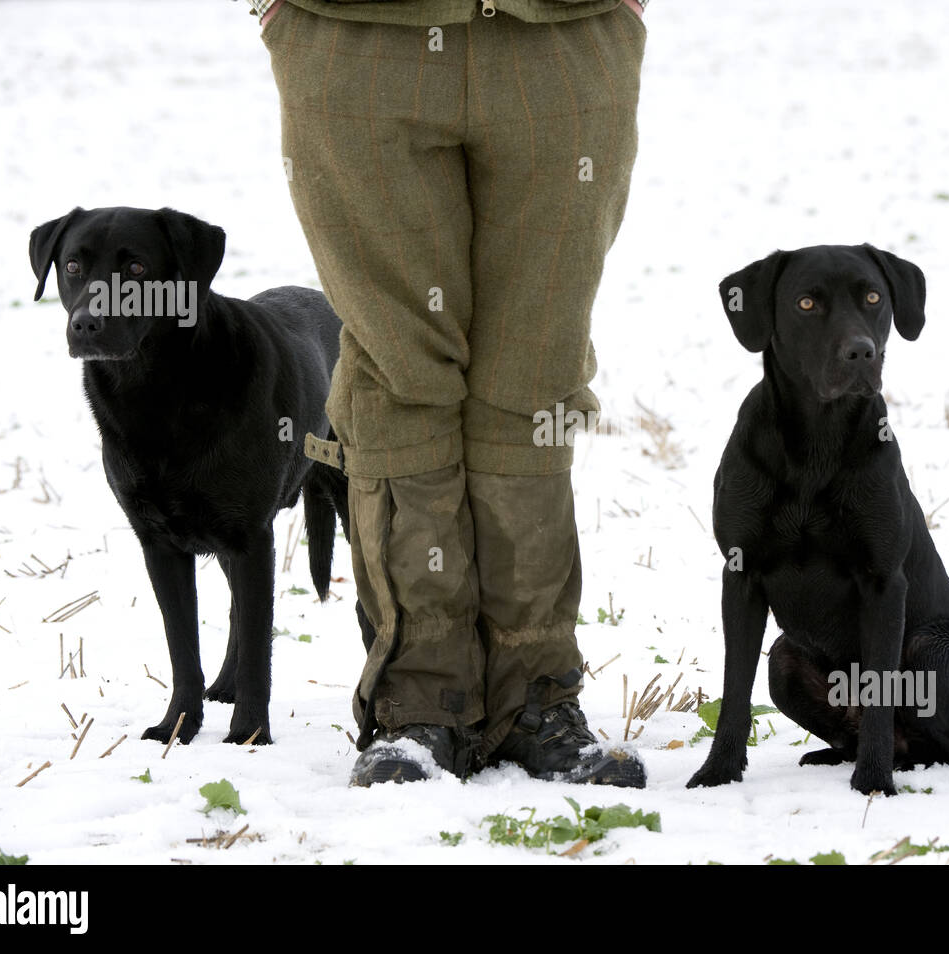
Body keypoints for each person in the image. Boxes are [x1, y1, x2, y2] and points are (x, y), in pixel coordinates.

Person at [251, 0, 649, 786]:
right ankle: (419, 702)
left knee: (539, 372)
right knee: (399, 372)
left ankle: (535, 697)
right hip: (353, 38)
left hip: (567, 35)